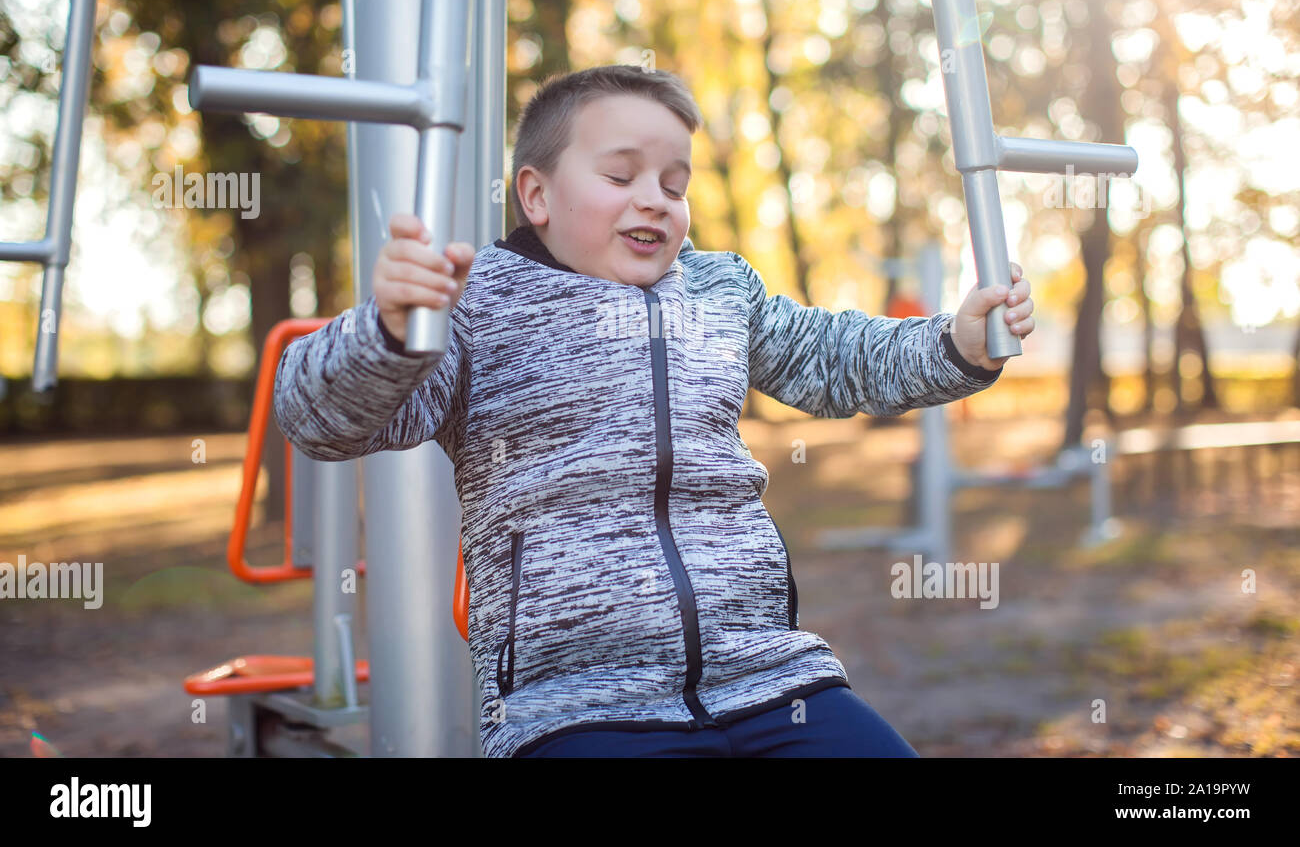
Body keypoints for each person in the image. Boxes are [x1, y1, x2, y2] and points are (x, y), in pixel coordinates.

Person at [273, 64, 1035, 758]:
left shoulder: (720, 290)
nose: (654, 199)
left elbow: (833, 357)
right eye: (620, 174)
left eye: (675, 184)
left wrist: (956, 343)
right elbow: (321, 418)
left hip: (767, 677)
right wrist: (387, 331)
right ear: (536, 195)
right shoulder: (477, 307)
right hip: (578, 705)